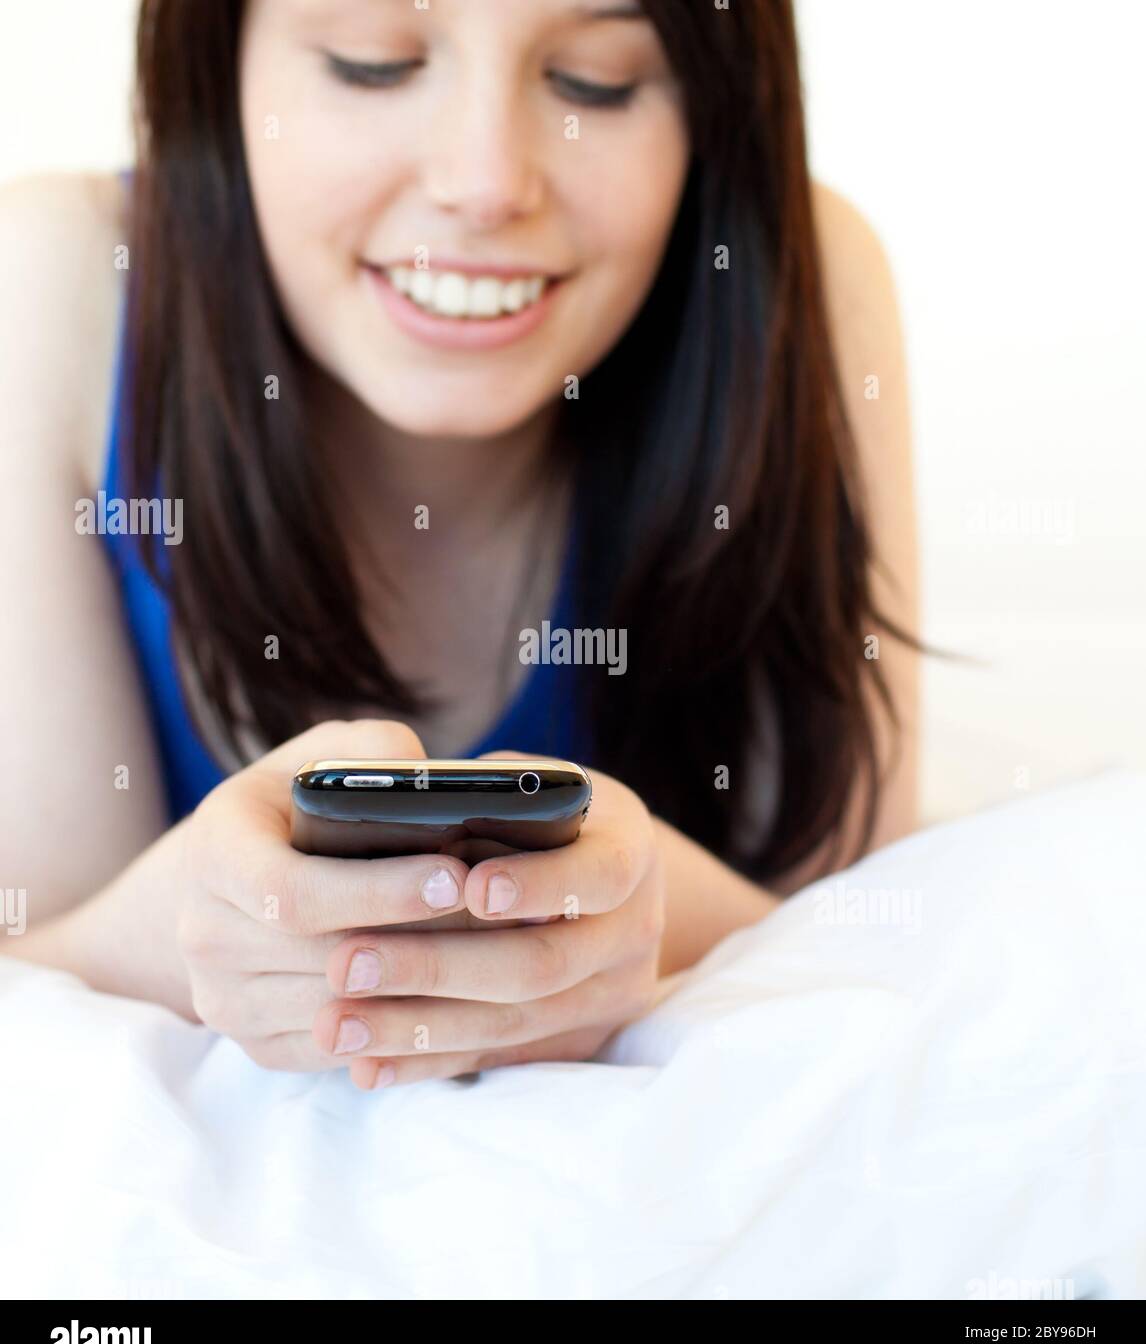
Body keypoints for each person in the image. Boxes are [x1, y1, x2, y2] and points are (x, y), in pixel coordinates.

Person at [0, 0, 918, 1089]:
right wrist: (188, 931)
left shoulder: (805, 286)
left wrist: (643, 921)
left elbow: (888, 943)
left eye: (595, 81)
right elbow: (30, 949)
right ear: (213, 62)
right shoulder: (55, 282)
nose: (486, 182)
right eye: (371, 63)